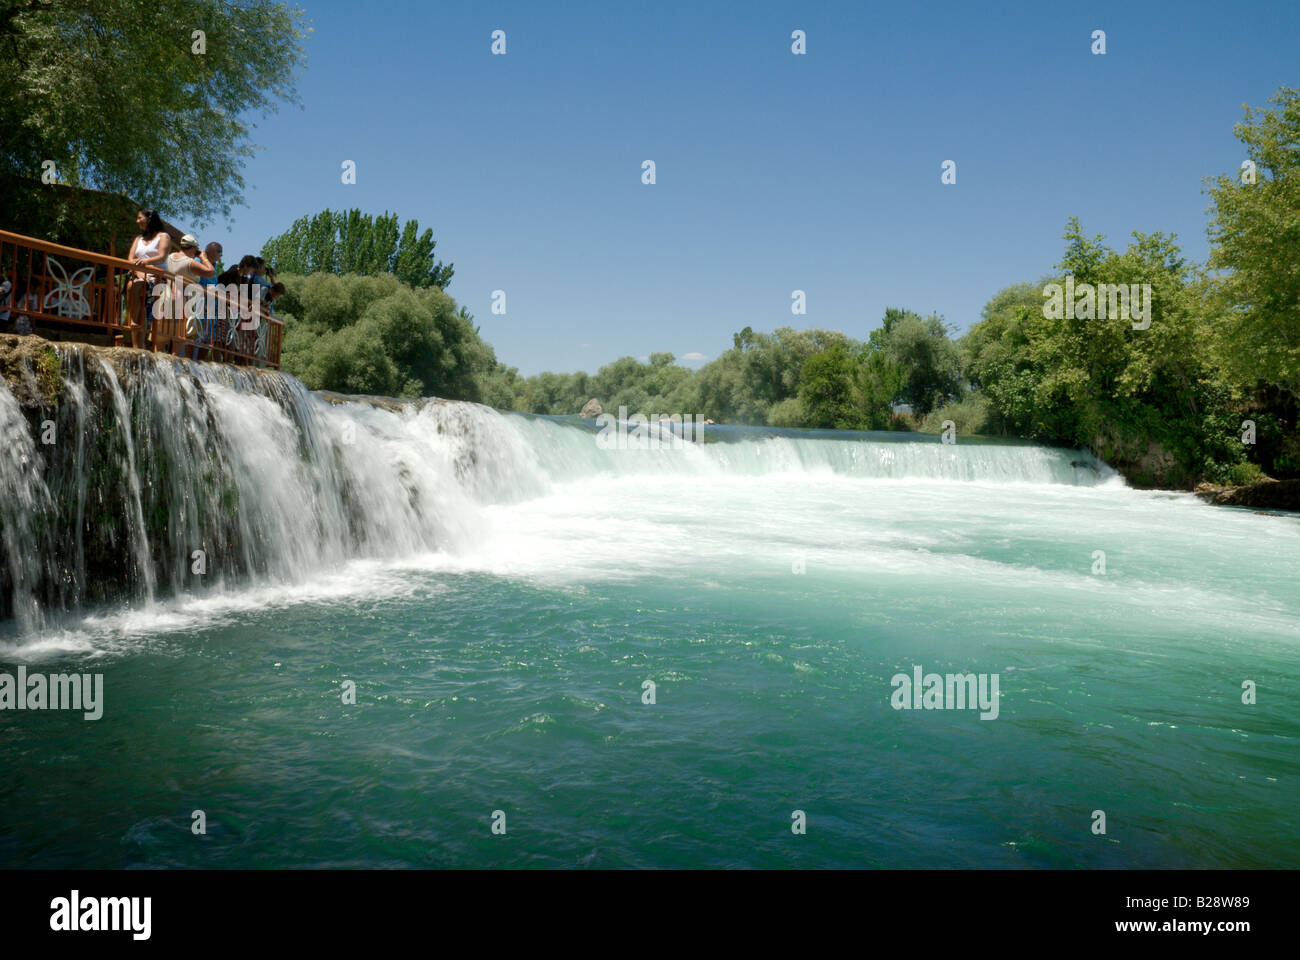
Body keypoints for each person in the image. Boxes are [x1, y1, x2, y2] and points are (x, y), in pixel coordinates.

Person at [125, 209, 170, 349]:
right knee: (133, 285)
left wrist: (145, 263)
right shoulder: (138, 239)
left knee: (136, 287)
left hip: (156, 278)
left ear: (149, 218)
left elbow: (162, 256)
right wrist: (139, 271)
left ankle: (134, 324)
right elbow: (130, 258)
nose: (137, 221)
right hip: (137, 274)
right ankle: (136, 344)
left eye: (140, 218)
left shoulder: (163, 236)